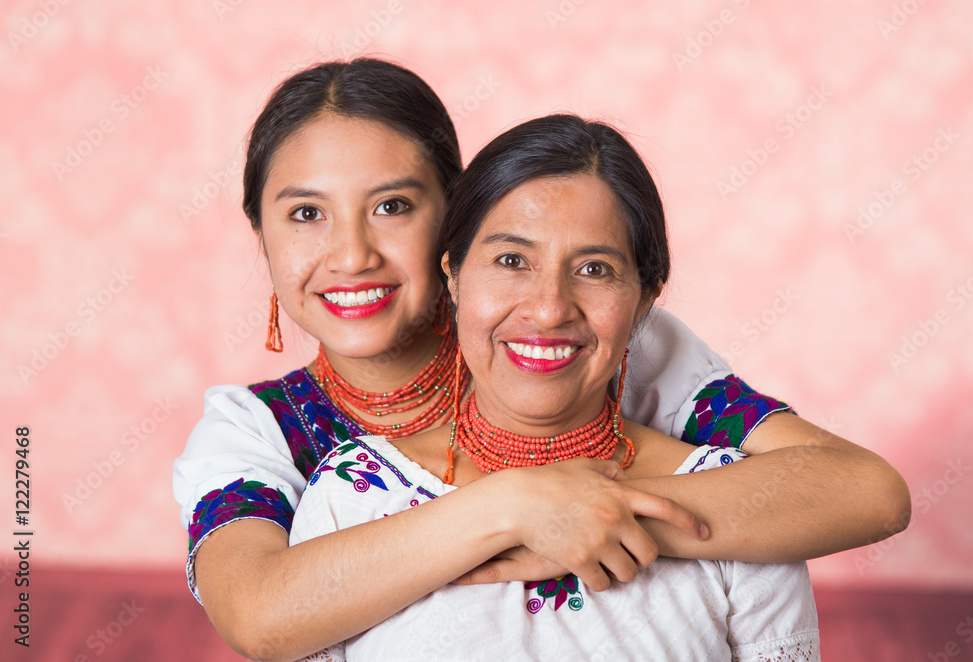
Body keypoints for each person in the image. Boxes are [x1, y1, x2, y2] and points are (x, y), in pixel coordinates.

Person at [173, 59, 908, 661]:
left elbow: (862, 491)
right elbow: (263, 615)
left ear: (452, 222)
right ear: (260, 236)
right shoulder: (260, 430)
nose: (352, 255)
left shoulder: (603, 346)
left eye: (393, 206)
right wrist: (514, 505)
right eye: (305, 214)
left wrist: (606, 513)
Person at [288, 113, 821, 661]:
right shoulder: (352, 496)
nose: (548, 309)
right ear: (454, 274)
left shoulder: (749, 513)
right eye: (511, 260)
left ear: (644, 299)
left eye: (594, 270)